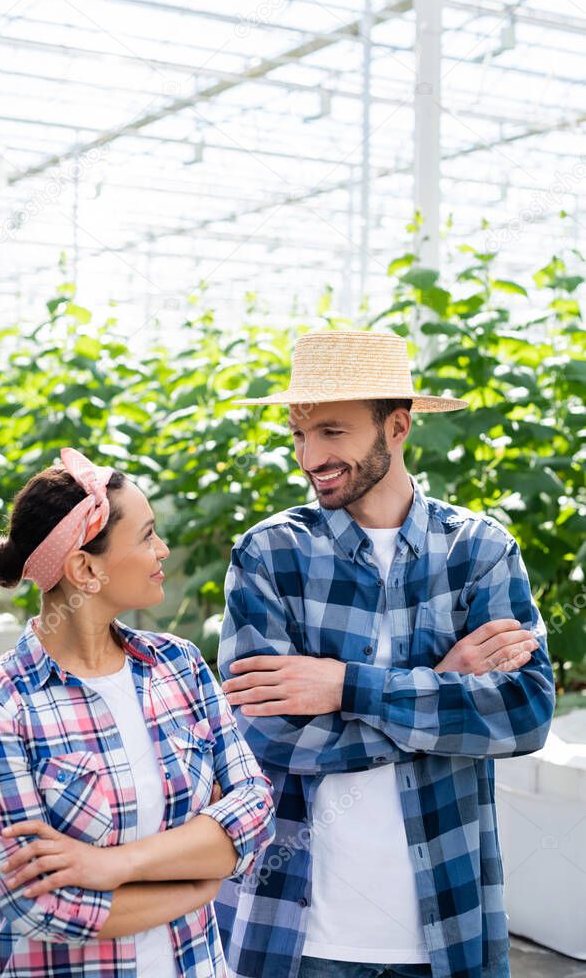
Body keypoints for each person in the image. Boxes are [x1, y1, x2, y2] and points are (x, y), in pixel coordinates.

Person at [215, 331, 555, 978]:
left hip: (445, 927)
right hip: (300, 932)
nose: (310, 456)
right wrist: (439, 691)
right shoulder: (268, 556)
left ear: (396, 427)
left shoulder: (478, 552)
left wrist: (347, 687)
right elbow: (263, 734)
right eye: (299, 435)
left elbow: (523, 713)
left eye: (332, 433)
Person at [0, 447, 275, 978]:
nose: (164, 550)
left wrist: (110, 866)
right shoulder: (0, 704)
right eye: (147, 535)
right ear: (85, 568)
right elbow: (40, 906)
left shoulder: (179, 666)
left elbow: (256, 811)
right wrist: (199, 879)